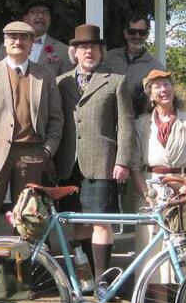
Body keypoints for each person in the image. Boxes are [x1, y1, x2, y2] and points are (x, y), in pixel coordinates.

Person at [54, 24, 135, 284]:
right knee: (78, 222)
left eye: (93, 47)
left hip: (103, 163)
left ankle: (102, 281)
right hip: (68, 165)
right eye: (83, 47)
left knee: (101, 222)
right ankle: (85, 280)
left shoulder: (116, 81)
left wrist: (123, 161)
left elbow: (126, 125)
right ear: (74, 52)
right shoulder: (61, 82)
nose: (88, 51)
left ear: (101, 51)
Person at [0, 20, 64, 237]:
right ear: (4, 42)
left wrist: (47, 150)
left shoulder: (45, 74)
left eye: (24, 38)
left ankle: (26, 258)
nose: (18, 42)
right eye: (12, 37)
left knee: (29, 215)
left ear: (32, 43)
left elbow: (56, 118)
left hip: (32, 153)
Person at [120, 69, 186, 285]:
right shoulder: (141, 124)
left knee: (182, 248)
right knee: (151, 248)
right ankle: (156, 301)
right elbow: (135, 165)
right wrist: (146, 193)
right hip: (150, 188)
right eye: (158, 86)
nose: (164, 90)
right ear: (150, 95)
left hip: (181, 189)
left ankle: (184, 300)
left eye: (167, 84)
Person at [103, 13, 164, 113]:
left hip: (137, 119)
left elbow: (161, 100)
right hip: (107, 117)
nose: (137, 36)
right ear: (125, 33)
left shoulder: (156, 67)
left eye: (141, 33)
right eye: (132, 32)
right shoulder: (109, 58)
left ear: (147, 35)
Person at [21, 0, 71, 75]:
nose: (41, 16)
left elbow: (67, 80)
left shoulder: (63, 50)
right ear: (25, 19)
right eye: (36, 11)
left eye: (45, 13)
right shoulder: (8, 47)